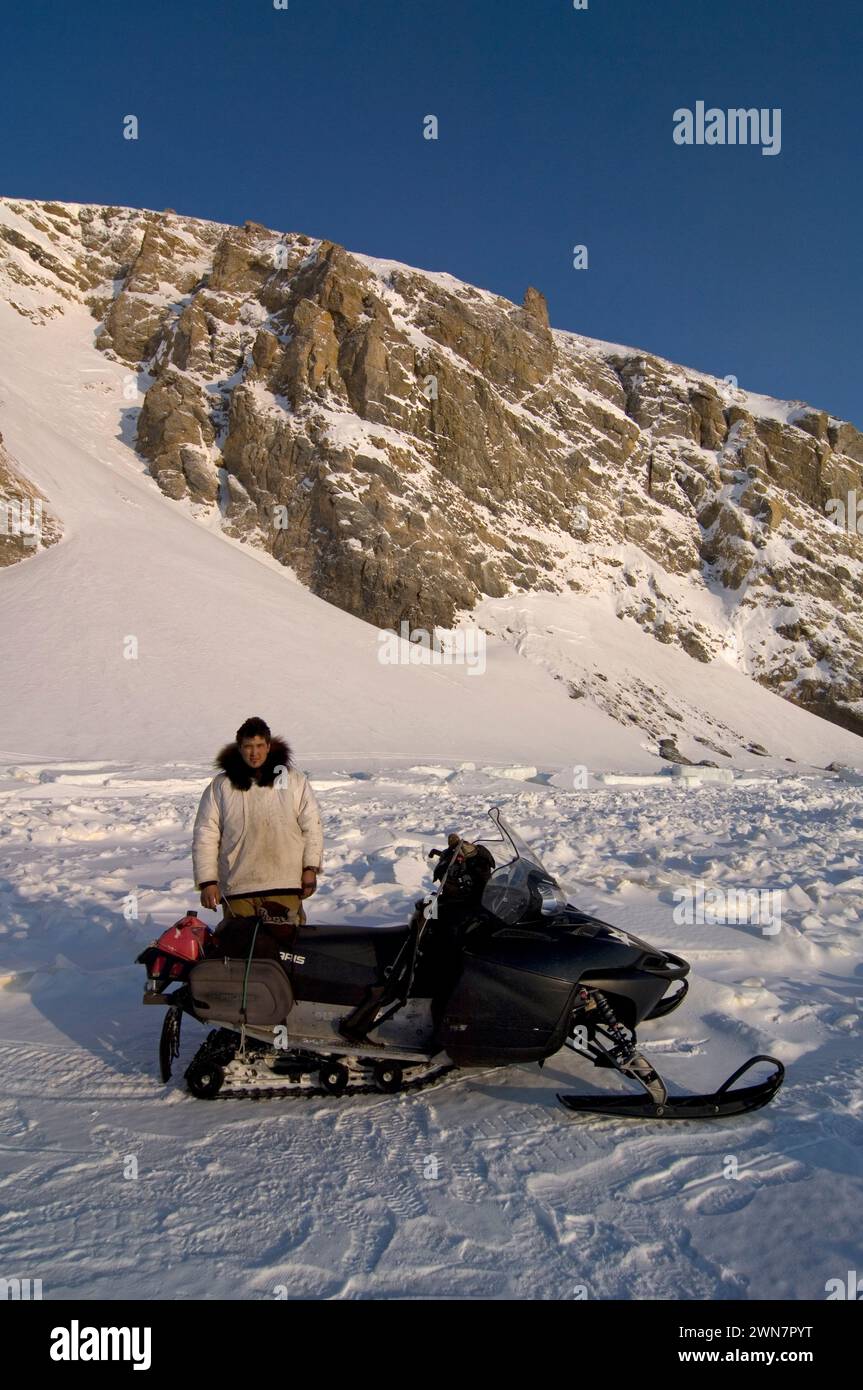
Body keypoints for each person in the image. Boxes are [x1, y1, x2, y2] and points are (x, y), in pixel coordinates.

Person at [192, 717, 323, 946]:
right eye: (248, 747)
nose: (255, 753)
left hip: (284, 883)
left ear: (269, 746)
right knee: (240, 955)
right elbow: (206, 834)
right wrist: (207, 881)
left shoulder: (292, 780)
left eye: (260, 746)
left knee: (286, 955)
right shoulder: (221, 785)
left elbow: (312, 826)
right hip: (239, 887)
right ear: (239, 747)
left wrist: (310, 868)